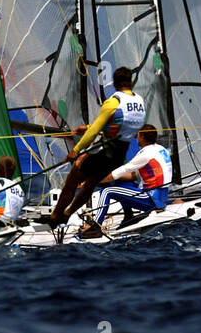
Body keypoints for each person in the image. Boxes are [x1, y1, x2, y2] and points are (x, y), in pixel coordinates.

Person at [46, 66, 146, 228]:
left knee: (75, 174)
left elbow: (95, 131)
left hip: (105, 152)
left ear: (114, 83)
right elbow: (121, 124)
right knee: (91, 182)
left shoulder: (114, 102)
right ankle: (67, 213)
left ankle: (55, 217)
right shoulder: (139, 102)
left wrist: (75, 150)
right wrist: (86, 128)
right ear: (131, 82)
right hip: (119, 155)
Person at [80, 123, 173, 235]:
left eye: (137, 135)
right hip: (160, 197)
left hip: (150, 199)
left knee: (107, 191)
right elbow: (134, 176)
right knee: (122, 182)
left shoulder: (145, 154)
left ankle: (95, 227)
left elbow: (118, 172)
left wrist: (92, 181)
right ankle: (128, 216)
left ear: (142, 137)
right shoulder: (160, 149)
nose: (136, 137)